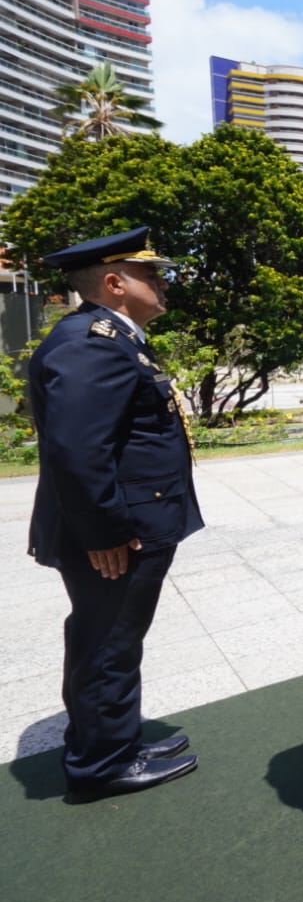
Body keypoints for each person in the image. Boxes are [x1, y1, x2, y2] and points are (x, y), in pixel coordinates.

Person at [28, 227, 203, 802]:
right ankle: (101, 764)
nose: (161, 282)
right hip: (113, 533)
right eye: (150, 273)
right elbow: (78, 450)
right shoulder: (93, 342)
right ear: (113, 283)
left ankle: (112, 742)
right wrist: (102, 532)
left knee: (108, 637)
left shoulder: (110, 337)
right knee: (109, 641)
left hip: (122, 523)